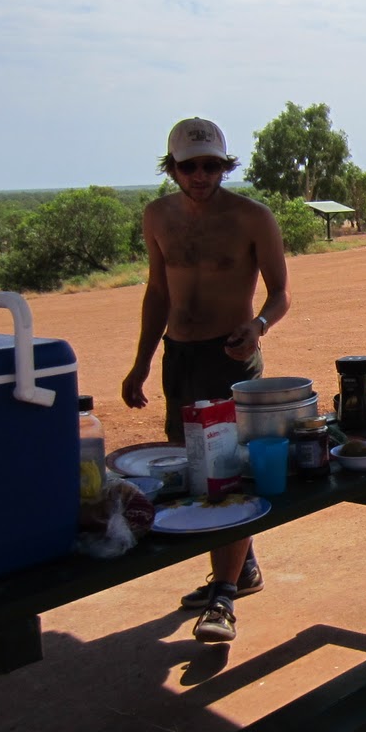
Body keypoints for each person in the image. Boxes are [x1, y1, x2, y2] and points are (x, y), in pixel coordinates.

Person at [122, 117, 290, 644]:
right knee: (196, 474)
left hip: (229, 360)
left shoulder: (251, 218)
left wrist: (258, 327)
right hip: (180, 360)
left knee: (226, 474)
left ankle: (223, 597)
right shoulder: (157, 216)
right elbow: (156, 293)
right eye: (189, 166)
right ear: (171, 168)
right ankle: (242, 567)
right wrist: (143, 360)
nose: (200, 175)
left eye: (211, 165)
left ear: (225, 164)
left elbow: (281, 293)